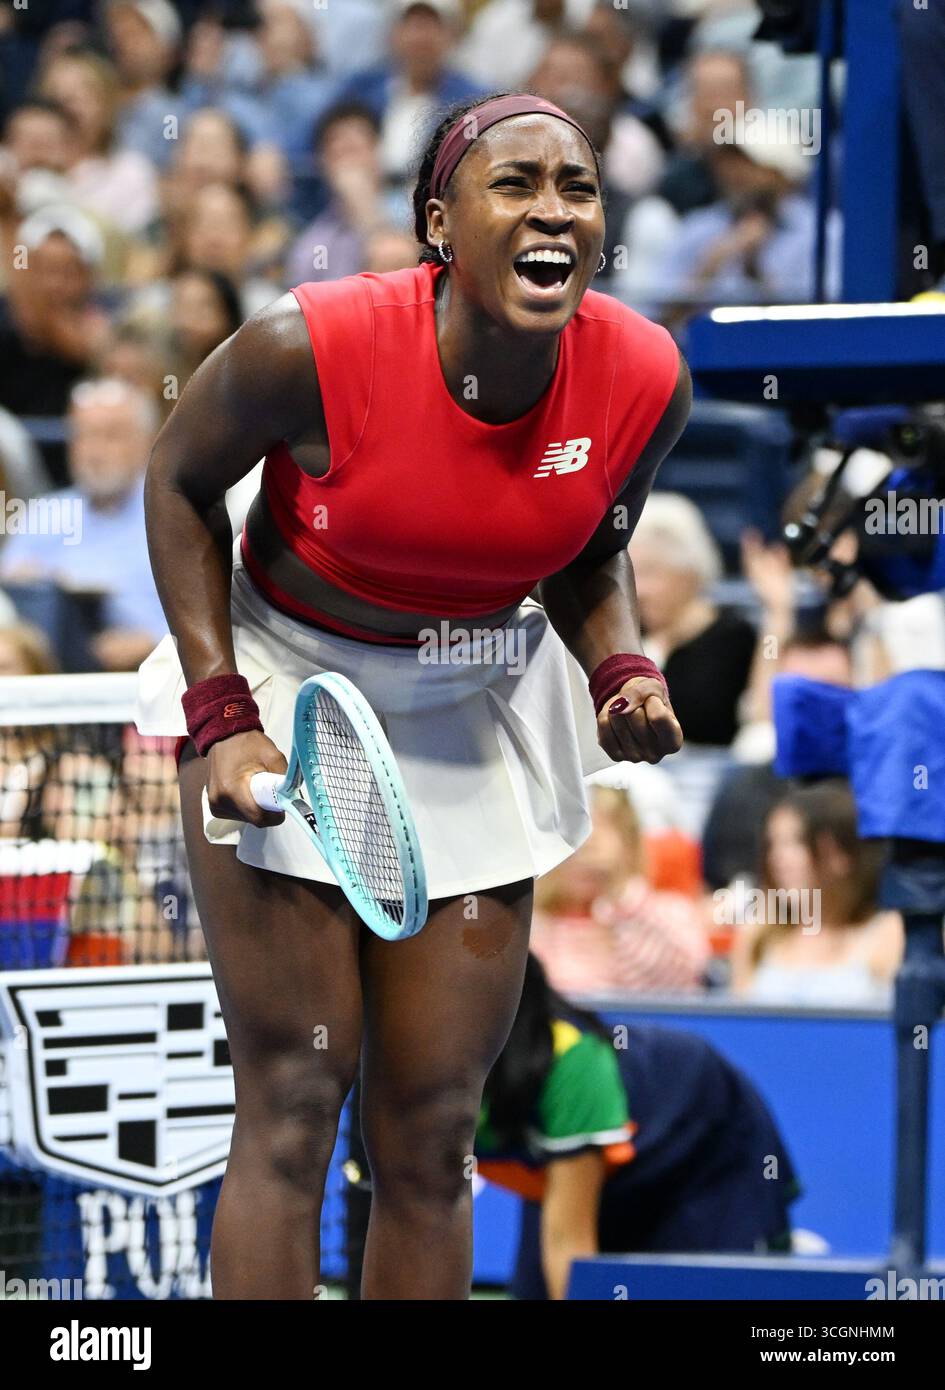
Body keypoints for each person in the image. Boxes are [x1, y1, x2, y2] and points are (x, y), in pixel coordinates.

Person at [135, 91, 690, 1301]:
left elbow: (593, 544)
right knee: (291, 1098)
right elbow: (177, 481)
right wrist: (219, 711)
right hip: (284, 678)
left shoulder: (644, 375)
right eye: (516, 183)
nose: (553, 208)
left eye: (578, 187)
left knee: (434, 1130)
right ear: (440, 220)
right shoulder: (312, 346)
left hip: (473, 697)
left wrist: (621, 665)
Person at [475, 952, 801, 1299]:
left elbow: (568, 1243)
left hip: (700, 1145)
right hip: (566, 1164)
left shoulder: (570, 1062)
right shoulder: (423, 1064)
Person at [0, 376, 166, 671]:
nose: (95, 450)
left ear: (147, 441)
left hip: (150, 674)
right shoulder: (45, 514)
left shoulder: (170, 516)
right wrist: (25, 584)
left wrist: (154, 640)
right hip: (55, 677)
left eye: (111, 435)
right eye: (84, 435)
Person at [731, 781, 904, 1009]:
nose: (778, 859)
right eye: (773, 845)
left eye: (796, 843)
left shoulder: (888, 934)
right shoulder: (756, 936)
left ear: (842, 855)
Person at [530, 783, 709, 995]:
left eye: (598, 833)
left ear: (630, 845)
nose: (586, 849)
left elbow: (680, 980)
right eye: (572, 838)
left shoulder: (668, 914)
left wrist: (621, 896)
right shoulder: (530, 926)